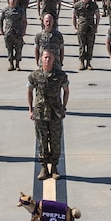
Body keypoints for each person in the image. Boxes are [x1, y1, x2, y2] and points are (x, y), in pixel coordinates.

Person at [27, 50, 71, 180]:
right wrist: (30, 110)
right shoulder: (34, 75)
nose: (47, 60)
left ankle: (54, 167)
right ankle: (44, 167)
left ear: (53, 60)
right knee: (42, 141)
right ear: (41, 59)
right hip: (40, 113)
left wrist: (64, 107)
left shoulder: (61, 75)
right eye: (45, 57)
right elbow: (29, 91)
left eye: (49, 58)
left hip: (55, 113)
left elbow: (66, 91)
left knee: (55, 141)